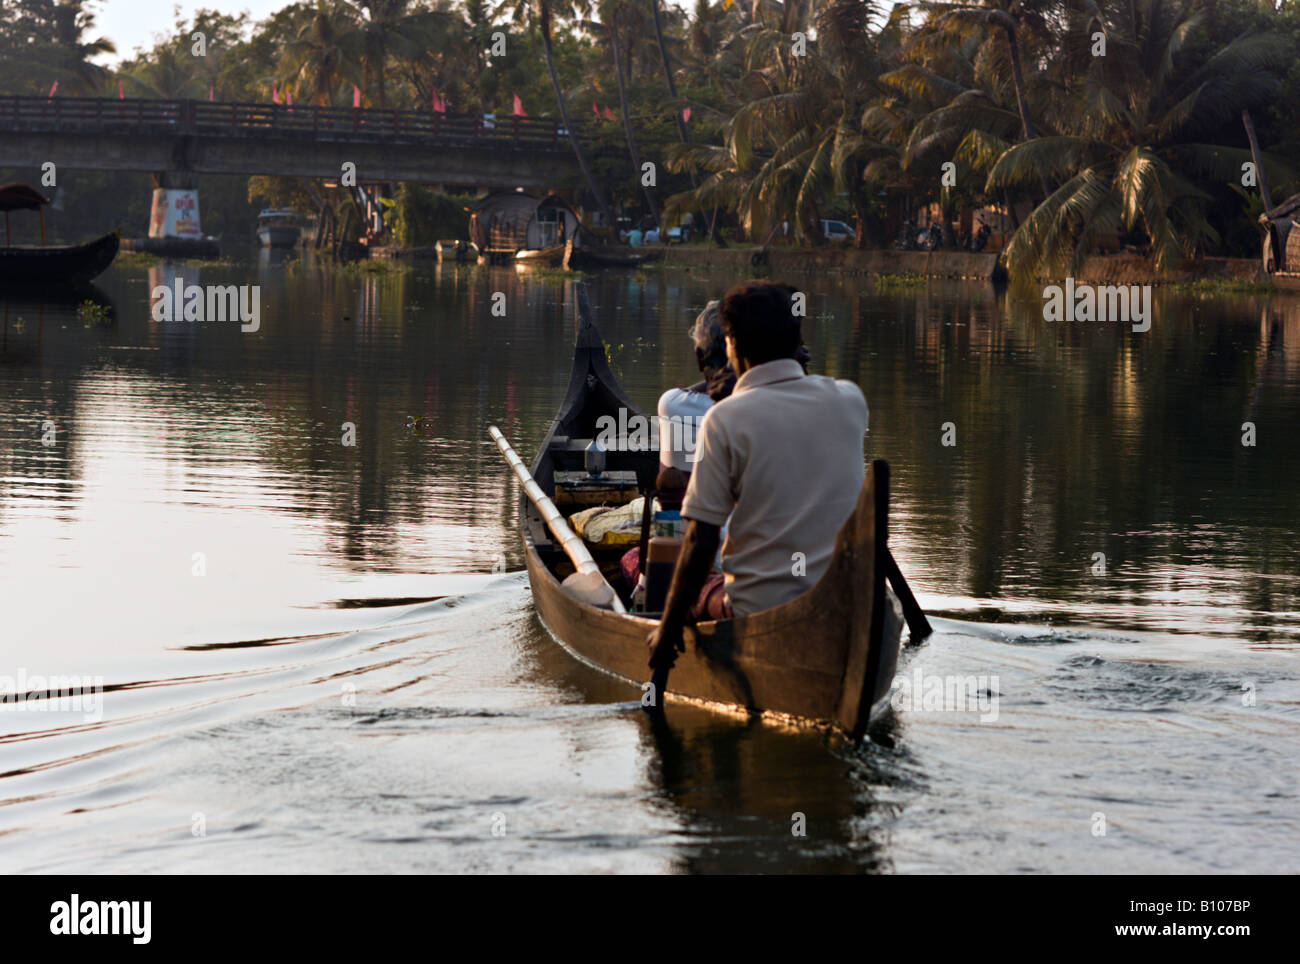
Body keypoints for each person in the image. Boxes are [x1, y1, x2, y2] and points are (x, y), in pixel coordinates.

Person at [646, 280, 868, 672]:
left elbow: (700, 540)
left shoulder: (725, 419)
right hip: (847, 606)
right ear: (798, 344)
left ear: (732, 346)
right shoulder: (851, 400)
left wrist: (666, 630)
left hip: (757, 612)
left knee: (671, 581)